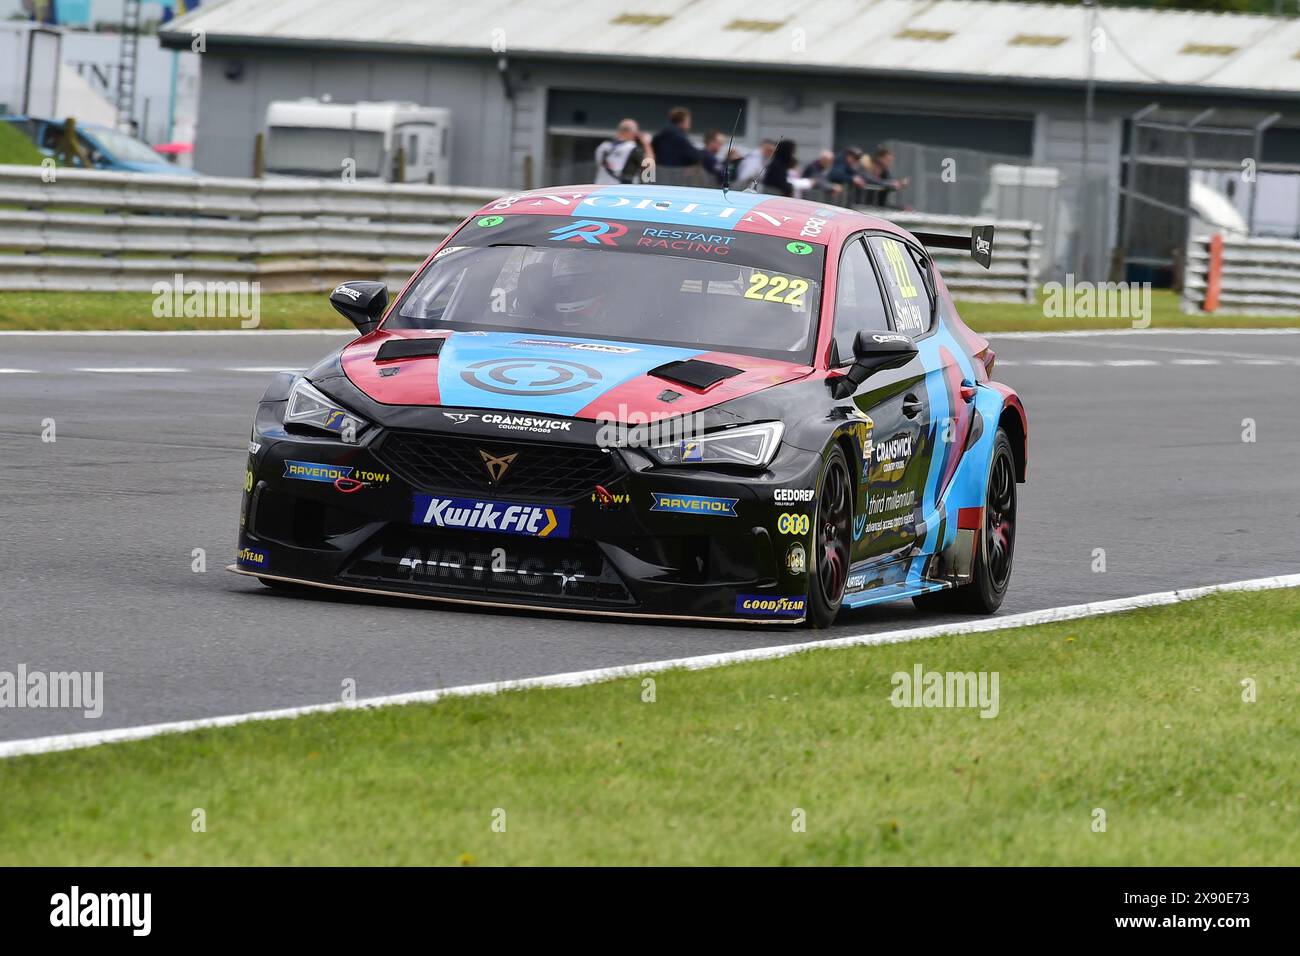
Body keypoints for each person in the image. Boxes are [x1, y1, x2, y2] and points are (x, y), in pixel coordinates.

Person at [650, 107, 704, 184]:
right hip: (673, 176)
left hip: (660, 175)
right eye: (688, 120)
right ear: (681, 121)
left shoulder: (661, 134)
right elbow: (694, 155)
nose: (690, 123)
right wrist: (704, 153)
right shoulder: (679, 137)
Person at [594, 119, 650, 185]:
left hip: (600, 186)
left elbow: (598, 164)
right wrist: (646, 144)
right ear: (633, 133)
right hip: (622, 189)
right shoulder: (632, 148)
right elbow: (649, 164)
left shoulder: (603, 146)